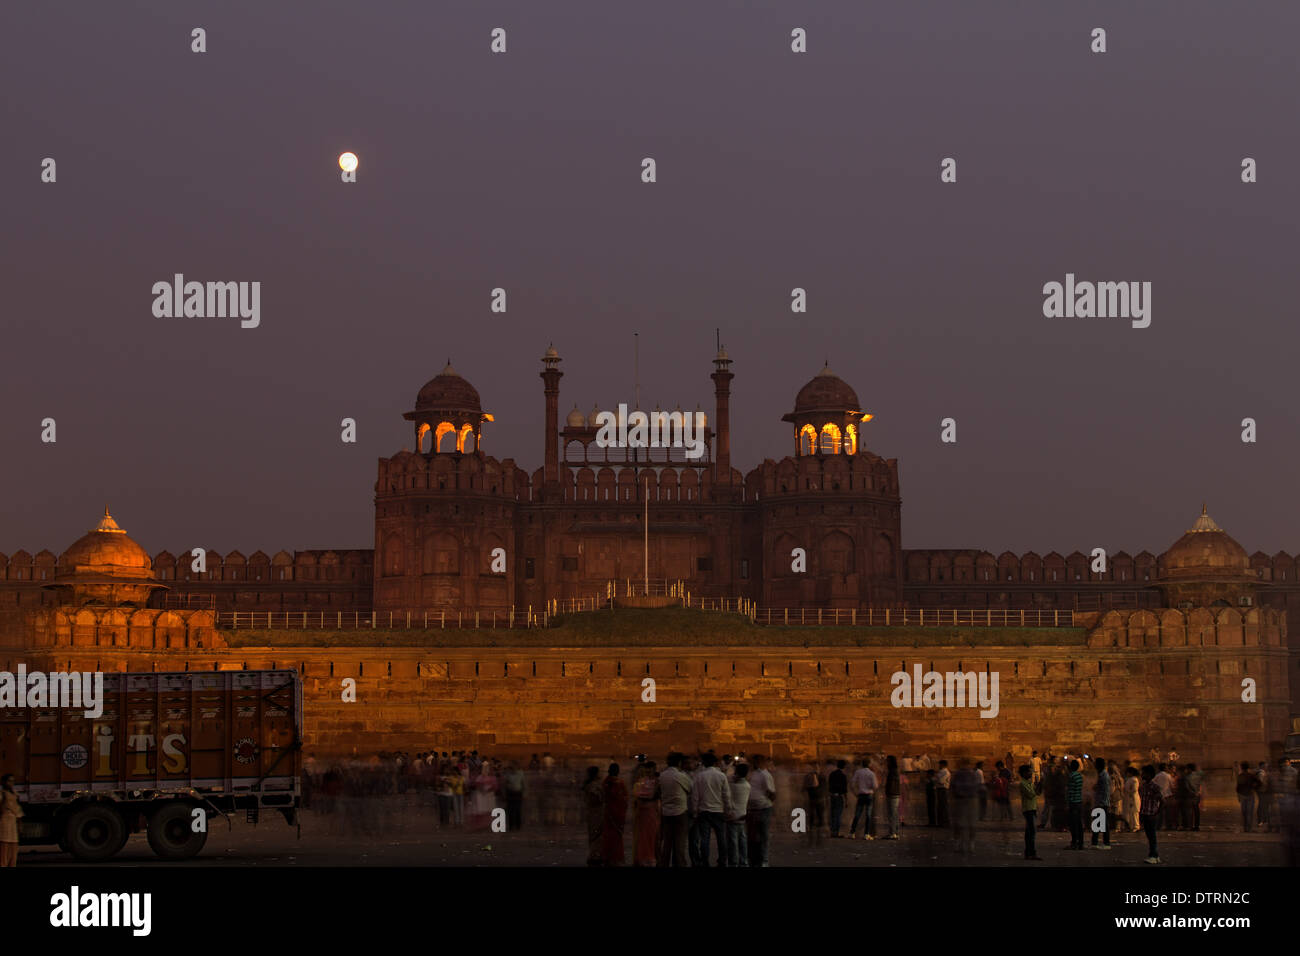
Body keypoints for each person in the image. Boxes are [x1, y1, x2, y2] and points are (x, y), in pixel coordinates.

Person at [692, 752, 732, 866]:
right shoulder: (721, 775)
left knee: (705, 839)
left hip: (704, 811)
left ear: (704, 763)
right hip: (718, 810)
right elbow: (726, 795)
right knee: (721, 838)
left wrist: (695, 811)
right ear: (715, 763)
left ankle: (705, 862)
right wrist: (728, 810)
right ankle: (722, 861)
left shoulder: (699, 776)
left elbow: (695, 796)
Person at [657, 752, 692, 867]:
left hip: (666, 813)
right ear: (679, 762)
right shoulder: (681, 776)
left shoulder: (662, 775)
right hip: (680, 813)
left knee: (667, 844)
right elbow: (691, 788)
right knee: (679, 846)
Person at [746, 754, 776, 867]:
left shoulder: (765, 775)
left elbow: (771, 792)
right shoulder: (753, 774)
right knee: (753, 837)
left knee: (763, 836)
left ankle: (764, 861)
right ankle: (754, 860)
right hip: (753, 809)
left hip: (763, 808)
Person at [632, 760, 660, 867]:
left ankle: (648, 857)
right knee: (645, 836)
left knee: (651, 835)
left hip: (650, 811)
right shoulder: (644, 781)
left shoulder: (654, 781)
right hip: (646, 812)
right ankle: (646, 858)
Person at [601, 763, 629, 866]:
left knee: (608, 837)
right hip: (617, 816)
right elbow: (625, 800)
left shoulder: (605, 782)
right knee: (616, 838)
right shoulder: (620, 783)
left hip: (608, 814)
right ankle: (616, 859)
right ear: (618, 771)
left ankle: (607, 858)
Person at [951, 760, 980, 854]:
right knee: (969, 824)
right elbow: (976, 788)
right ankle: (969, 845)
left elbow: (953, 788)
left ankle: (960, 844)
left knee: (960, 824)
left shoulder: (958, 774)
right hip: (969, 800)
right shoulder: (972, 775)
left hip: (962, 800)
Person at [727, 763, 751, 866]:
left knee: (733, 843)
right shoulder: (747, 786)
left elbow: (728, 779)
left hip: (732, 817)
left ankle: (734, 863)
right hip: (742, 816)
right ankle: (744, 862)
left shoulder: (731, 785)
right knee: (742, 841)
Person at [1138, 766, 1162, 863]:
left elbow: (1162, 800)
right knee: (1149, 836)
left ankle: (1154, 855)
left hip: (1151, 815)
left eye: (1144, 773)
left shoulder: (1154, 787)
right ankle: (1154, 856)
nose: (1142, 775)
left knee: (1152, 836)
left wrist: (1157, 813)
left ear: (1149, 775)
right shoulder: (1143, 786)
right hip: (1145, 814)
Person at [850, 757, 877, 839]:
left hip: (861, 795)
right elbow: (875, 786)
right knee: (868, 815)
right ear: (869, 764)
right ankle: (866, 834)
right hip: (869, 795)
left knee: (857, 814)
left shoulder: (858, 772)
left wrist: (855, 792)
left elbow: (852, 783)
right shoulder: (872, 774)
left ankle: (852, 832)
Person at [1018, 765, 1041, 860]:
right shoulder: (1023, 784)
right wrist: (1038, 785)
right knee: (1031, 832)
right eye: (1029, 772)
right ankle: (1031, 853)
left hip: (1032, 808)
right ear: (1024, 773)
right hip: (1028, 809)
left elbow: (1037, 793)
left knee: (1029, 832)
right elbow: (1032, 794)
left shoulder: (1029, 783)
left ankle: (1029, 852)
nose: (1031, 773)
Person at [582, 766, 604, 866]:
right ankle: (595, 856)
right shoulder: (593, 786)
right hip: (596, 813)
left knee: (594, 835)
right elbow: (596, 799)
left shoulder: (589, 785)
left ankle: (595, 854)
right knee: (597, 835)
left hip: (592, 813)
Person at [0, 774, 21, 868]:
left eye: (12, 781)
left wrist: (20, 825)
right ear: (4, 782)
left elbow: (18, 810)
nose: (11, 783)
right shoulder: (2, 794)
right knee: (4, 850)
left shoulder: (15, 794)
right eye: (9, 781)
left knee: (13, 851)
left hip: (13, 824)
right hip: (5, 822)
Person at [1090, 757, 1111, 849]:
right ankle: (1096, 843)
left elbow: (1104, 791)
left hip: (1101, 803)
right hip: (1101, 802)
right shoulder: (1102, 774)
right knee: (1099, 824)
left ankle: (1105, 843)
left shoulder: (1103, 776)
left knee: (1101, 824)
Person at [1236, 761, 1260, 832]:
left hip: (1243, 795)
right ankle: (1249, 828)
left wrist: (1239, 795)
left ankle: (1246, 828)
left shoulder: (1240, 776)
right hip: (1250, 795)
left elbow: (1238, 787)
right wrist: (1254, 788)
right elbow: (1259, 783)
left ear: (1241, 768)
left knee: (1244, 812)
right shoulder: (1251, 775)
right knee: (1249, 812)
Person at [1066, 759, 1084, 850]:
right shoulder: (1080, 776)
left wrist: (1068, 803)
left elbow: (1070, 791)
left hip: (1073, 802)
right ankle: (1081, 842)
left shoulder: (1071, 776)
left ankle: (1074, 842)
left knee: (1073, 824)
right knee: (1079, 823)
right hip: (1079, 801)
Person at [827, 760, 848, 837]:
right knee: (838, 815)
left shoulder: (832, 774)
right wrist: (846, 800)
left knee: (832, 814)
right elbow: (845, 790)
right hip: (839, 797)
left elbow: (829, 786)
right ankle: (836, 832)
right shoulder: (843, 776)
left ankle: (832, 831)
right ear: (844, 766)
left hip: (832, 796)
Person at [884, 755, 902, 839]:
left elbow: (892, 783)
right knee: (894, 814)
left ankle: (892, 833)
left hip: (892, 794)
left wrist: (888, 792)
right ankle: (895, 832)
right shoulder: (894, 771)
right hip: (895, 794)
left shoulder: (892, 771)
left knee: (892, 814)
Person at [934, 760, 951, 828]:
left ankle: (945, 822)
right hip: (940, 790)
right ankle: (941, 822)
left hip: (944, 790)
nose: (939, 766)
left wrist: (936, 778)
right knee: (940, 806)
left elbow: (941, 781)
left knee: (944, 806)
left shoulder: (946, 772)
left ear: (943, 765)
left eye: (940, 764)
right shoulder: (941, 772)